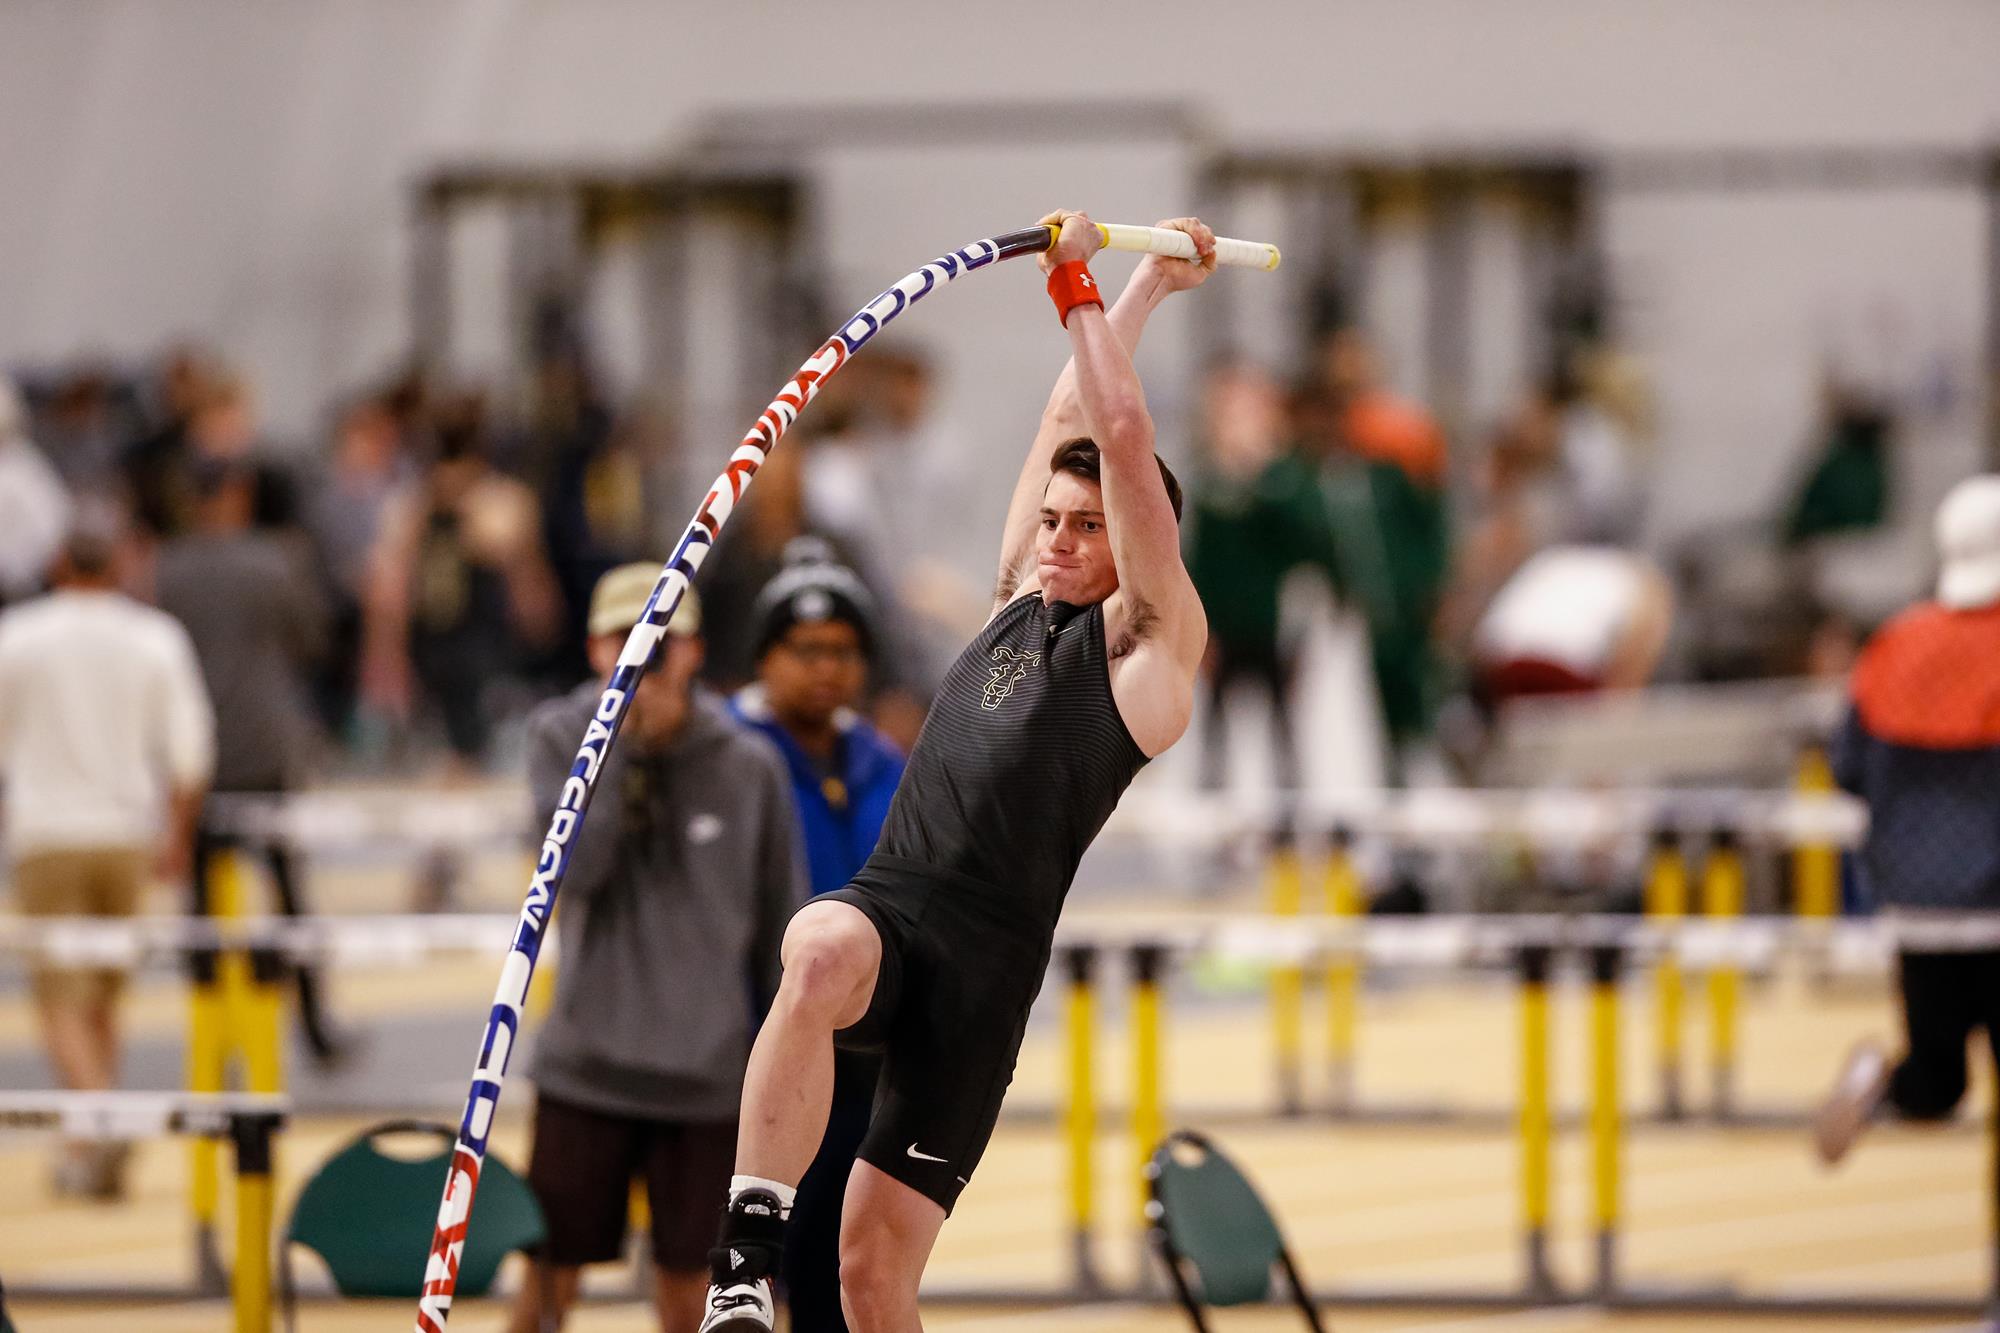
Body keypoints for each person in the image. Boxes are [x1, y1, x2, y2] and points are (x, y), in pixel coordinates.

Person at [701, 210, 1214, 1333]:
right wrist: (1146, 291)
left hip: (983, 974)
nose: (1054, 539)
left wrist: (1078, 280)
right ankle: (741, 1260)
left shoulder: (1144, 650)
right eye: (1047, 518)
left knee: (871, 1278)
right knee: (818, 943)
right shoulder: (1011, 601)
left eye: (1084, 527)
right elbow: (1073, 415)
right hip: (896, 911)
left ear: (1137, 546)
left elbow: (1122, 439)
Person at [510, 563, 805, 1333]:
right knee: (544, 1290)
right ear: (594, 647)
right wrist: (619, 749)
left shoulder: (749, 765)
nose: (643, 659)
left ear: (694, 649)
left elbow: (782, 931)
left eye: (661, 642)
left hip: (706, 1080)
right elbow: (583, 869)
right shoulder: (558, 737)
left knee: (693, 1298)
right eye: (625, 640)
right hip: (586, 1066)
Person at [0, 524, 215, 1198]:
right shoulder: (156, 637)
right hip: (129, 831)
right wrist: (177, 834)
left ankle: (98, 1115)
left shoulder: (19, 636)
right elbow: (190, 749)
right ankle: (92, 1132)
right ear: (120, 561)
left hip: (45, 831)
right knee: (104, 995)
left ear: (59, 562)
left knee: (61, 994)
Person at [729, 541, 907, 1333]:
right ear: (764, 656)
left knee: (840, 1264)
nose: (826, 667)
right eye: (805, 650)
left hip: (861, 1057)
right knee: (751, 1271)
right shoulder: (728, 755)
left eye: (843, 651)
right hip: (755, 1049)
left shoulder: (880, 758)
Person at [1813, 474, 2000, 1165]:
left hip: (1918, 907)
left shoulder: (1895, 645)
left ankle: (1878, 1080)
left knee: (1936, 1080)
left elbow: (1848, 768)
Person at [154, 460, 344, 1064]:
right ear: (237, 495)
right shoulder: (274, 563)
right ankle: (314, 1027)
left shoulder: (169, 569)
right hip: (265, 747)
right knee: (287, 894)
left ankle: (215, 1047)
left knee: (204, 909)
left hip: (197, 754)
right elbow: (313, 638)